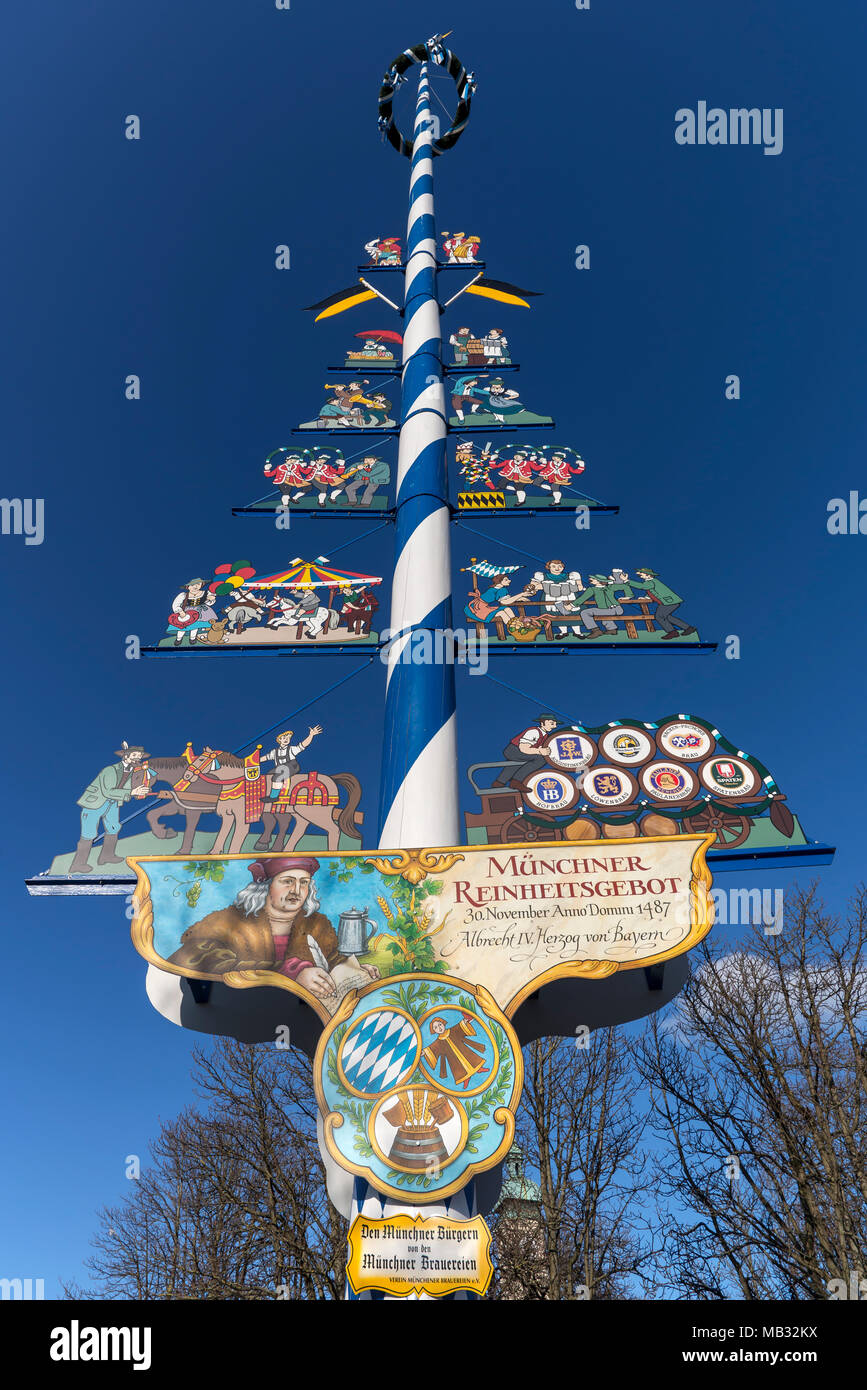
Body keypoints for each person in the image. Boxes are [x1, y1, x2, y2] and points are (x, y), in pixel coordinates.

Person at [167, 857, 380, 1000]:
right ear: (265, 885)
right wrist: (288, 972)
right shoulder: (229, 920)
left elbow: (330, 959)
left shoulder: (317, 924)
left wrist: (352, 969)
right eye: (287, 881)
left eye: (304, 883)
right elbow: (194, 954)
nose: (297, 890)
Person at [71, 742, 170, 874]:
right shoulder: (110, 770)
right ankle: (78, 864)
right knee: (89, 833)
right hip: (95, 803)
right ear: (126, 756)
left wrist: (138, 792)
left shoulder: (130, 772)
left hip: (113, 803)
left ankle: (106, 856)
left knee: (113, 827)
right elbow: (108, 791)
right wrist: (132, 792)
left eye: (139, 756)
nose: (138, 758)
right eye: (135, 755)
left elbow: (127, 790)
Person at [422, 1013, 489, 1088]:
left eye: (440, 1024)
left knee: (471, 1058)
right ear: (434, 1031)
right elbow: (432, 1048)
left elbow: (459, 1027)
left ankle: (479, 1069)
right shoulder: (438, 1042)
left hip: (463, 1050)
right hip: (453, 1058)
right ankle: (465, 1079)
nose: (439, 1028)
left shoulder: (452, 1030)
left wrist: (464, 1022)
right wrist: (425, 1052)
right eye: (436, 1027)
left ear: (443, 1023)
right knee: (458, 1068)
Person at [629, 567, 697, 639]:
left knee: (659, 616)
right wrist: (647, 597)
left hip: (669, 602)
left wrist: (627, 581)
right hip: (669, 602)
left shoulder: (650, 582)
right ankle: (688, 628)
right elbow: (653, 591)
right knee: (667, 617)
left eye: (641, 575)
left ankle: (672, 632)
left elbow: (642, 586)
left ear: (648, 575)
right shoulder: (651, 582)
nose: (640, 576)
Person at [493, 715, 559, 787]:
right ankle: (516, 781)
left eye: (555, 724)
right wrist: (539, 751)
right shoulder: (534, 732)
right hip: (514, 750)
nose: (555, 726)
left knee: (517, 763)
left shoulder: (545, 735)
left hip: (520, 751)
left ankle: (499, 782)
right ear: (542, 723)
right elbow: (523, 748)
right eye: (552, 723)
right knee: (541, 759)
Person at [262, 726, 322, 801]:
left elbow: (303, 744)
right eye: (284, 738)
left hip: (292, 766)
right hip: (280, 768)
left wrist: (311, 735)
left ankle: (274, 797)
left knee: (279, 774)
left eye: (288, 738)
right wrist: (254, 761)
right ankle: (272, 792)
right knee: (269, 774)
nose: (286, 740)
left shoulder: (291, 749)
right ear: (279, 740)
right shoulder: (275, 752)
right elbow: (266, 757)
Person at [529, 560, 584, 636]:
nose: (557, 568)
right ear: (549, 567)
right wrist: (545, 587)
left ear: (563, 567)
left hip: (569, 597)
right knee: (556, 615)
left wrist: (570, 587)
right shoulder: (542, 576)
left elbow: (580, 587)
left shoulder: (572, 576)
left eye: (560, 566)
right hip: (551, 598)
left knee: (574, 615)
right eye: (554, 566)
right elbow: (532, 587)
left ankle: (577, 632)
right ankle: (563, 632)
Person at [574, 572, 634, 638]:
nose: (590, 579)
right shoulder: (604, 588)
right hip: (616, 609)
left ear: (599, 581)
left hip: (615, 609)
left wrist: (628, 596)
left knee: (585, 612)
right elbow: (582, 598)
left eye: (593, 579)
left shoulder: (597, 589)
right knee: (603, 612)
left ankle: (596, 630)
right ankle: (612, 629)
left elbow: (582, 599)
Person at [463, 571, 533, 627]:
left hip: (485, 607)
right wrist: (521, 594)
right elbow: (505, 602)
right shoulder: (494, 590)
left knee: (507, 609)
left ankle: (518, 625)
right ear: (499, 581)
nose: (509, 580)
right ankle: (514, 629)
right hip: (477, 609)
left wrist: (520, 597)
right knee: (501, 613)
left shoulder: (502, 590)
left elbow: (507, 599)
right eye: (506, 579)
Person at [166, 578, 218, 645]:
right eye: (193, 585)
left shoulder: (205, 593)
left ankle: (192, 638)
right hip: (187, 612)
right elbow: (176, 604)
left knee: (195, 626)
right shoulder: (184, 595)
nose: (195, 586)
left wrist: (209, 599)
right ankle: (179, 638)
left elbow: (209, 603)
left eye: (198, 584)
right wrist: (180, 611)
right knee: (183, 626)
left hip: (201, 612)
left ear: (201, 585)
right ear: (188, 587)